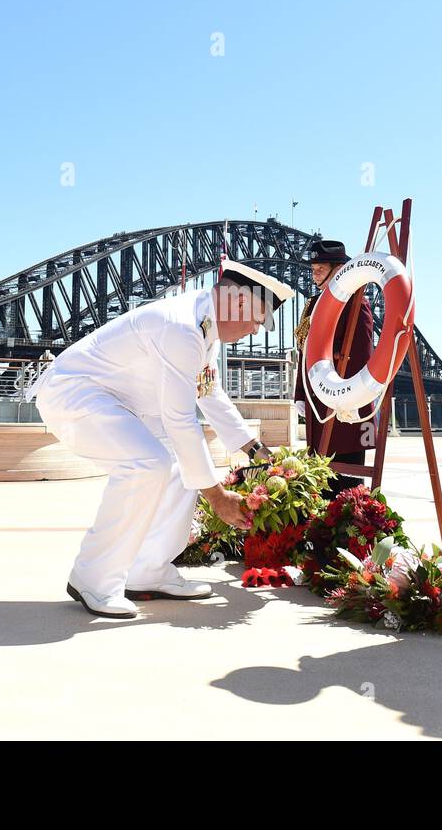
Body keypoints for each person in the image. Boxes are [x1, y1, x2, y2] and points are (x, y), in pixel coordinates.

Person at [31, 260, 294, 619]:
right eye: (257, 320)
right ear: (239, 303)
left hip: (118, 401)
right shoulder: (182, 327)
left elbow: (208, 391)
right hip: (75, 391)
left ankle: (148, 570)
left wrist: (252, 446)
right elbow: (180, 420)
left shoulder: (204, 328)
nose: (255, 331)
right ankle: (93, 578)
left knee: (181, 465)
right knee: (148, 465)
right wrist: (217, 496)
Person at [293, 239, 375, 498]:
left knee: (347, 483)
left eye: (319, 268)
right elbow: (306, 354)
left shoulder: (355, 302)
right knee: (319, 479)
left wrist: (347, 395)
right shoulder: (312, 304)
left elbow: (363, 353)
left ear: (338, 269)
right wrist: (299, 394)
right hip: (318, 406)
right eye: (313, 269)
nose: (313, 274)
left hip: (345, 411)